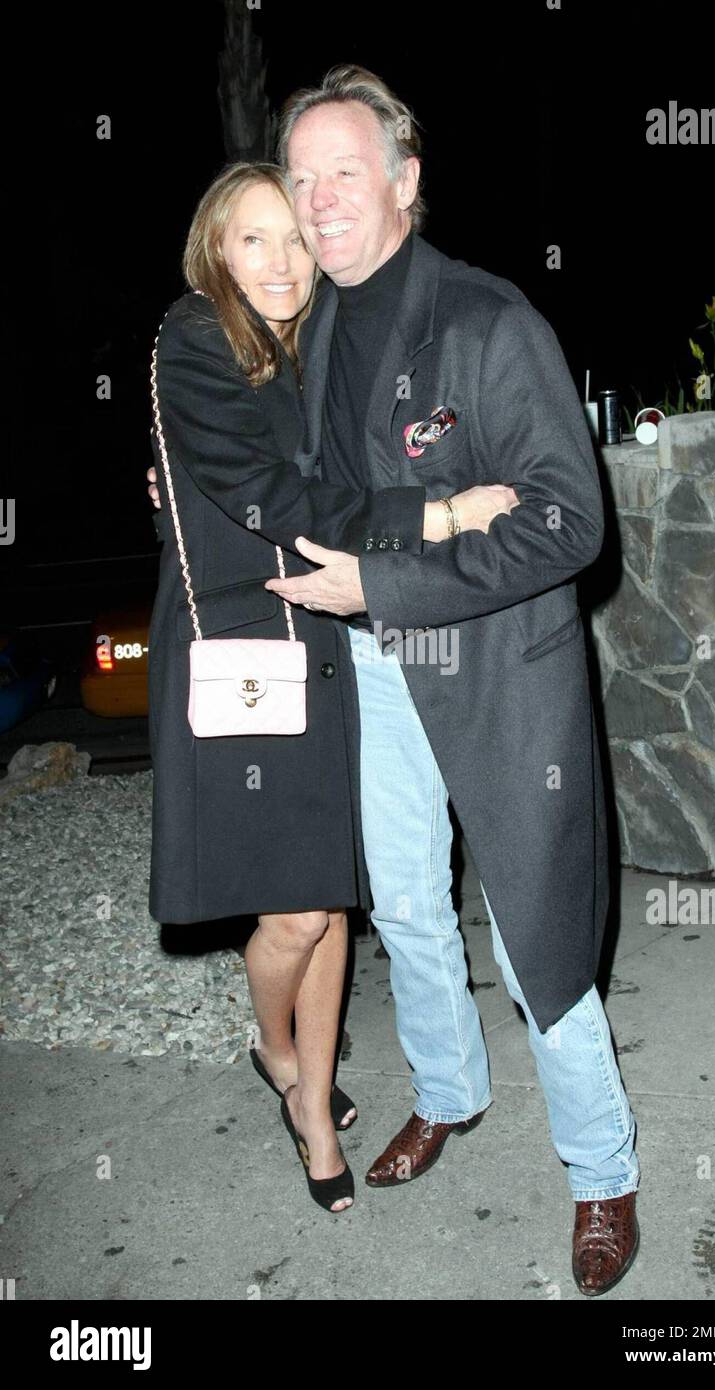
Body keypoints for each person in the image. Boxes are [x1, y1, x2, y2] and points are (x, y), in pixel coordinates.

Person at [261, 65, 642, 1296]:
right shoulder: (304, 331)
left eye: (343, 172)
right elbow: (306, 494)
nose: (318, 199)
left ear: (404, 184)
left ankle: (601, 1172)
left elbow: (572, 523)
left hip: (495, 672)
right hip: (374, 673)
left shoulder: (489, 321)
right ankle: (449, 1092)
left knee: (535, 925)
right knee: (409, 906)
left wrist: (392, 582)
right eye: (302, 176)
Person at [146, 160, 518, 1214]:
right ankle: (280, 1060)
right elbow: (281, 495)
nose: (279, 260)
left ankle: (311, 1088)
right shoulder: (195, 336)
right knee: (299, 912)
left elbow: (354, 458)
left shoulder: (305, 353)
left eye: (295, 240)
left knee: (326, 892)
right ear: (214, 251)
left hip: (326, 637)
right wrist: (440, 518)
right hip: (245, 651)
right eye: (251, 238)